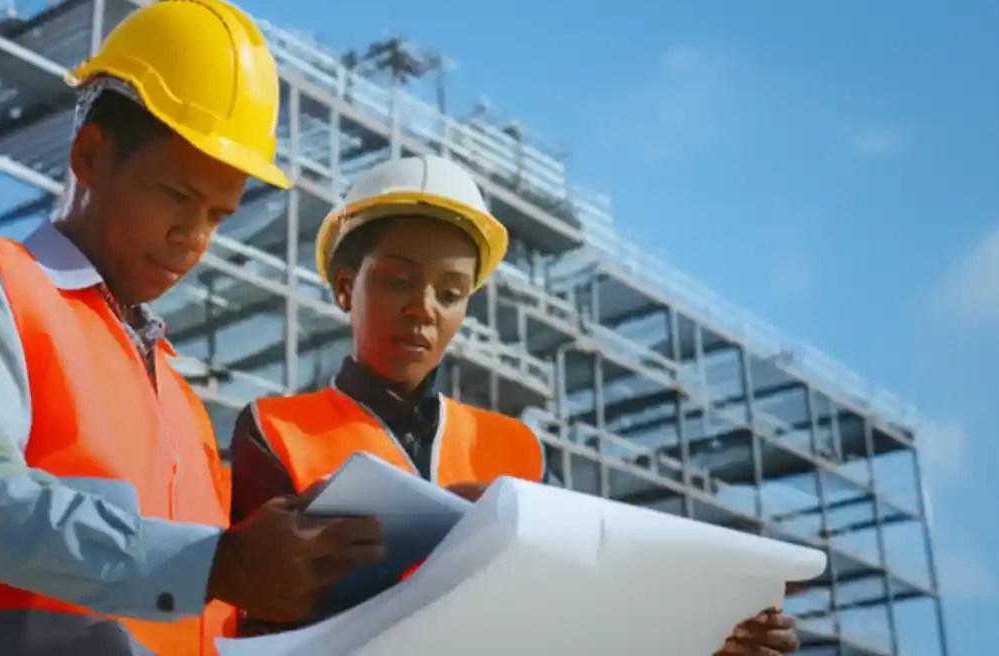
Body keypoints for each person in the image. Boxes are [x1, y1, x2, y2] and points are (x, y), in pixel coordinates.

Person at [0, 0, 384, 656]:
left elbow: (192, 597)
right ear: (91, 154)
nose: (193, 237)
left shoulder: (177, 399)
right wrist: (222, 564)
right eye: (178, 197)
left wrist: (307, 563)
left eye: (218, 215)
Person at [227, 155, 802, 654]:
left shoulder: (518, 449)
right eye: (399, 281)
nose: (424, 308)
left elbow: (569, 625)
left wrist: (707, 643)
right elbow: (255, 618)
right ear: (346, 286)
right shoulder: (276, 429)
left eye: (451, 293)